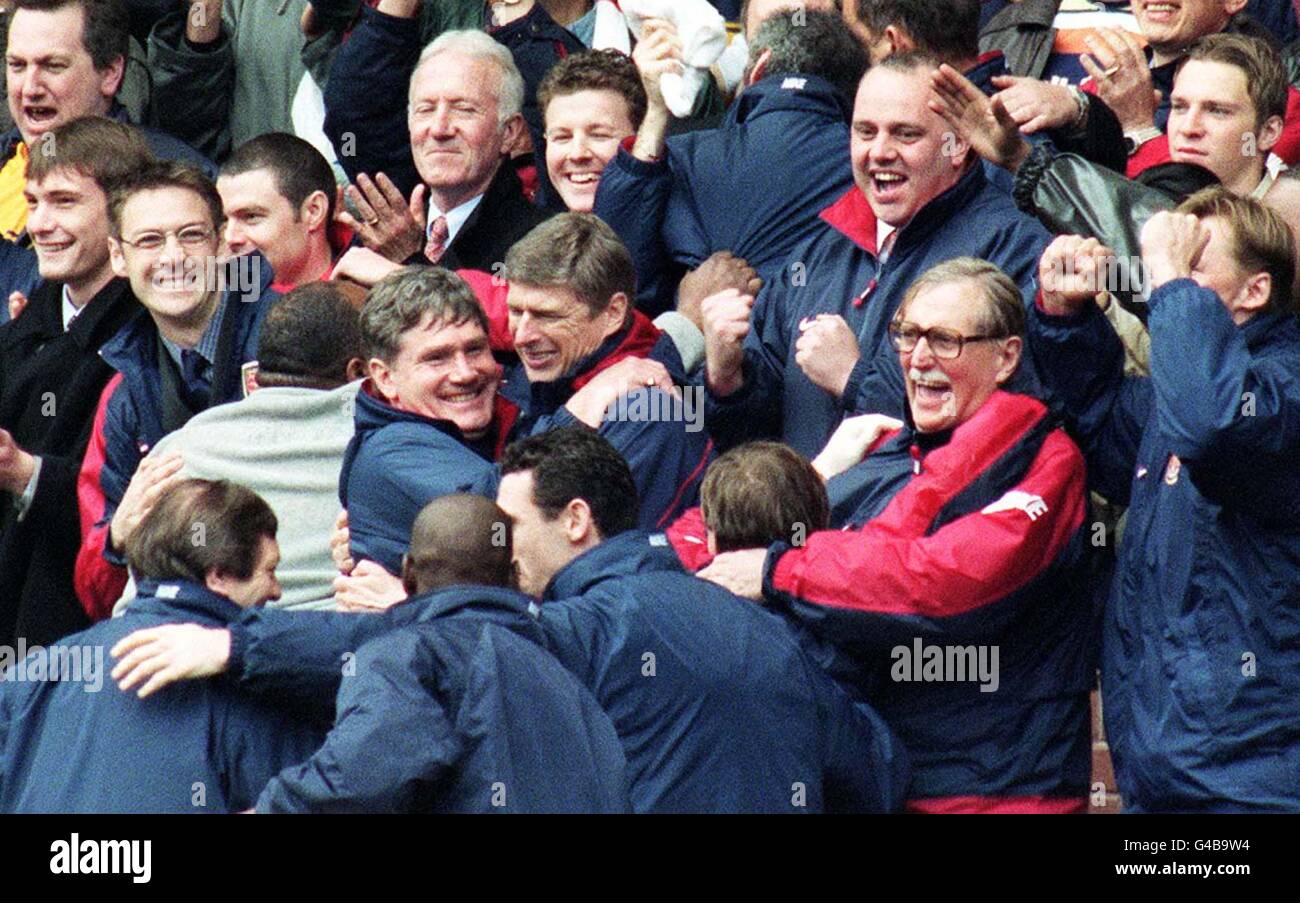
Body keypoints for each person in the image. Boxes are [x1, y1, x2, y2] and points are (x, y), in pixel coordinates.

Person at [701, 257, 1098, 813]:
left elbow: (949, 583)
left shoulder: (1047, 460)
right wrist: (819, 474)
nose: (918, 359)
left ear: (1007, 356)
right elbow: (737, 546)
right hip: (894, 780)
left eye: (945, 339)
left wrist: (779, 571)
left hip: (998, 790)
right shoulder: (883, 450)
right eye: (907, 335)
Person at [1029, 189, 1300, 811]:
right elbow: (1099, 420)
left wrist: (1172, 284)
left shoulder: (1281, 387)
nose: (1166, 277)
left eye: (1195, 262)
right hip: (1161, 768)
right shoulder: (1175, 395)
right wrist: (1067, 318)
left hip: (1254, 779)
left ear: (1254, 291)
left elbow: (1213, 427)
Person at [701, 52, 1050, 457]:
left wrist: (856, 381)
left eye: (905, 134)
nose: (879, 152)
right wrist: (728, 381)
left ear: (957, 146)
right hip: (808, 516)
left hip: (925, 518)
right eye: (865, 132)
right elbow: (756, 440)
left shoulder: (1013, 247)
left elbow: (1009, 429)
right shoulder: (818, 253)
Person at [252, 493, 632, 813]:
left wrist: (270, 807)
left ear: (408, 573)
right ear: (514, 576)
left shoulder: (407, 657)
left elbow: (365, 775)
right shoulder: (566, 676)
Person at [0, 479, 323, 813]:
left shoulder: (36, 674)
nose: (276, 591)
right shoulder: (249, 689)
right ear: (219, 576)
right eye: (269, 570)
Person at [72, 159, 277, 625]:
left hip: (293, 608)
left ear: (222, 242)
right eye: (149, 241)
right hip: (173, 629)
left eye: (190, 235)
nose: (172, 258)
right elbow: (96, 599)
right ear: (118, 257)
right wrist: (118, 538)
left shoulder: (286, 335)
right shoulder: (122, 394)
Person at [109, 282, 366, 615]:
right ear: (361, 371)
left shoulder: (175, 453)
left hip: (158, 647)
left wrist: (115, 538)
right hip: (330, 649)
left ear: (256, 374)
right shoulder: (385, 448)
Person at [596, 10, 867, 315]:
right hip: (824, 349)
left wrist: (657, 111)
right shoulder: (872, 164)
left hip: (698, 351)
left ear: (758, 68)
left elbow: (614, 265)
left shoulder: (686, 156)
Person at [0, 116, 150, 649]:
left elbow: (135, 505)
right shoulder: (28, 321)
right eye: (33, 201)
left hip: (83, 641)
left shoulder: (148, 336)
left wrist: (26, 473)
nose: (39, 223)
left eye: (63, 202)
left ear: (121, 215)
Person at [0, 0, 212, 244]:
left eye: (53, 66)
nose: (29, 88)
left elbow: (244, 275)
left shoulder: (176, 182)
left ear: (111, 73)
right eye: (17, 65)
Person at [217, 132, 350, 291]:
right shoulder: (219, 295)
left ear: (314, 211)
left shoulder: (372, 285)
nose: (230, 237)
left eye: (250, 217)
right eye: (224, 219)